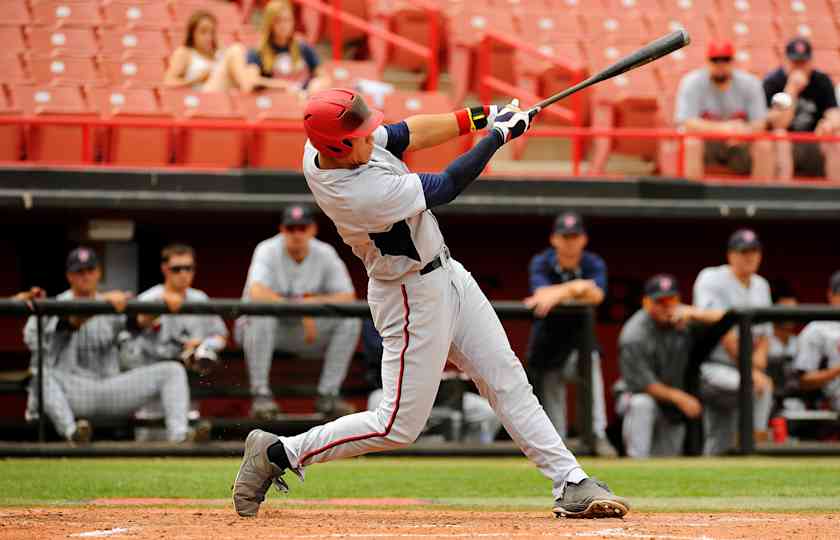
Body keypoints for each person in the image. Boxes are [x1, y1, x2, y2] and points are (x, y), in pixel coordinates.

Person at [232, 89, 629, 519]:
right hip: (408, 294)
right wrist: (498, 136)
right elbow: (447, 185)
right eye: (363, 136)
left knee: (507, 379)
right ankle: (279, 451)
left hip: (447, 273)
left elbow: (406, 134)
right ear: (339, 147)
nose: (373, 138)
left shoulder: (336, 146)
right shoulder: (358, 191)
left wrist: (484, 115)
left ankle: (569, 480)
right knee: (396, 425)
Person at [22, 247, 191, 444]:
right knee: (39, 374)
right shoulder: (58, 303)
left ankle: (180, 438)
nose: (85, 276)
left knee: (173, 371)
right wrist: (100, 304)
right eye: (79, 272)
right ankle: (73, 433)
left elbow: (138, 322)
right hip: (74, 393)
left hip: (111, 390)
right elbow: (70, 323)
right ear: (69, 276)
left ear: (99, 272)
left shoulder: (112, 302)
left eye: (90, 270)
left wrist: (162, 304)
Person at [238, 204, 361, 420]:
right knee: (260, 316)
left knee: (350, 320)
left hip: (304, 332)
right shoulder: (267, 249)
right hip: (260, 330)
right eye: (291, 228)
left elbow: (347, 297)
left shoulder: (324, 253)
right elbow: (257, 293)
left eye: (302, 228)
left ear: (312, 229)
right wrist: (301, 310)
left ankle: (328, 395)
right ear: (282, 230)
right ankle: (261, 395)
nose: (296, 234)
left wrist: (310, 303)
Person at [523, 211, 617, 457]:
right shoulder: (541, 262)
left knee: (592, 368)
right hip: (548, 342)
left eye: (574, 236)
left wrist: (563, 291)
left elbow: (597, 296)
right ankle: (559, 447)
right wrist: (578, 287)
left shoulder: (593, 263)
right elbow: (541, 295)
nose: (570, 242)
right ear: (554, 239)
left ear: (583, 239)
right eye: (565, 237)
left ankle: (597, 435)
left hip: (580, 342)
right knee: (552, 400)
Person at [124, 244, 228, 441]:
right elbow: (134, 325)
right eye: (177, 269)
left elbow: (221, 336)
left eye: (188, 268)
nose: (183, 274)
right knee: (148, 446)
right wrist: (160, 306)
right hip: (151, 386)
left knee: (186, 446)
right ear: (164, 269)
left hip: (189, 383)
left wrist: (204, 344)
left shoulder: (200, 298)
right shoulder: (150, 297)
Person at [617, 274, 724, 458]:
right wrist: (681, 398)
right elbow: (645, 385)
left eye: (671, 300)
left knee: (667, 459)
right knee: (642, 404)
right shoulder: (634, 334)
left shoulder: (685, 322)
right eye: (660, 301)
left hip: (672, 406)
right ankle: (635, 461)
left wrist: (694, 313)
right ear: (647, 303)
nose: (667, 306)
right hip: (638, 396)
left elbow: (726, 319)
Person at [692, 229, 774, 455]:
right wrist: (750, 370)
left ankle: (743, 449)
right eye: (743, 252)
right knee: (759, 386)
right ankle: (752, 449)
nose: (750, 257)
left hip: (741, 367)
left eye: (754, 251)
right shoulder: (711, 277)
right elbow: (724, 332)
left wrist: (759, 360)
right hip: (712, 366)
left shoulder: (761, 285)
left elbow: (765, 333)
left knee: (720, 433)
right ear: (730, 255)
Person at [362, 319, 502, 444]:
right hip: (394, 392)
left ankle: (465, 462)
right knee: (375, 402)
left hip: (441, 392)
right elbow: (379, 351)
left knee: (488, 413)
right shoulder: (380, 313)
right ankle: (390, 462)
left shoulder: (437, 311)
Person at [675, 40, 773, 179]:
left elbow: (760, 123)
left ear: (733, 62)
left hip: (741, 141)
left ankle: (762, 197)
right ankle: (693, 196)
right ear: (707, 62)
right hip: (708, 142)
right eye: (715, 60)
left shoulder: (750, 83)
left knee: (764, 143)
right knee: (691, 141)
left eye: (725, 59)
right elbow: (686, 122)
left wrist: (742, 132)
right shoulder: (692, 82)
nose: (720, 64)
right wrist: (724, 129)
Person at [203, 0, 330, 95]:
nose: (284, 25)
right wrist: (283, 86)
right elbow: (251, 81)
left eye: (288, 20)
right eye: (279, 21)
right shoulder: (259, 51)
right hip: (276, 102)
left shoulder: (303, 47)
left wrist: (316, 85)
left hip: (303, 102)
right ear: (270, 24)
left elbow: (324, 77)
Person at [764, 37, 840, 180]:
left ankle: (835, 195)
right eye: (795, 62)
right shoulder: (773, 82)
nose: (799, 67)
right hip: (783, 143)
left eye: (803, 62)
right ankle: (783, 193)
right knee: (780, 135)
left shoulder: (821, 80)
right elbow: (780, 124)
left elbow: (834, 114)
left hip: (814, 140)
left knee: (835, 136)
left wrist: (829, 124)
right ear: (785, 61)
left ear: (811, 62)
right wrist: (791, 89)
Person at [793, 271, 840, 412]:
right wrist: (837, 370)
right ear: (831, 295)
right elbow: (804, 381)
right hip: (834, 397)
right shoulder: (817, 328)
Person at [163, 10, 221, 90]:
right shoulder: (185, 53)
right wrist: (198, 79)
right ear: (192, 33)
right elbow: (169, 82)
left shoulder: (220, 54)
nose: (209, 37)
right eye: (203, 32)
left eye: (212, 32)